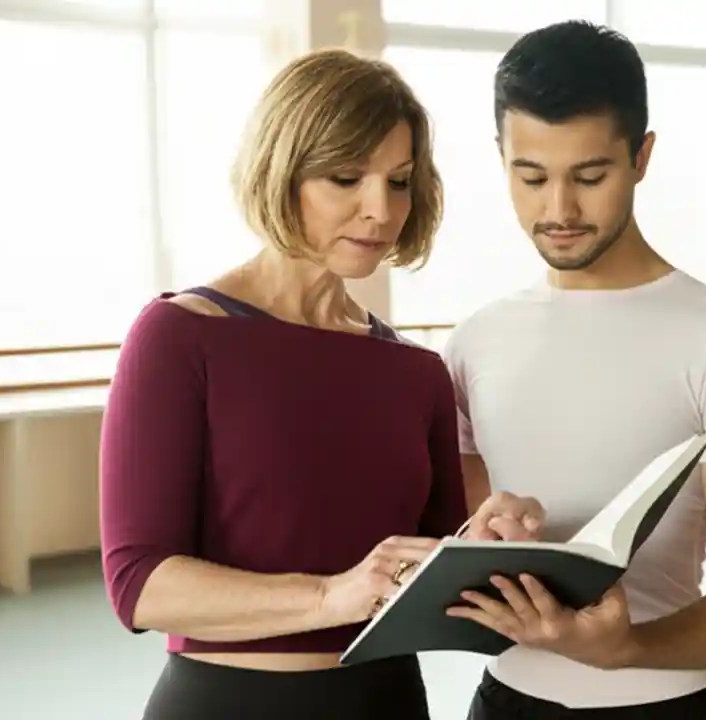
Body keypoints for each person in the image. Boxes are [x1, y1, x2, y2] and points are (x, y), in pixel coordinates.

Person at [99, 48, 482, 719]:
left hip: (386, 700)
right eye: (346, 177)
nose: (381, 210)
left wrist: (494, 538)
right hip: (228, 702)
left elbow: (437, 565)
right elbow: (139, 585)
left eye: (399, 181)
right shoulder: (181, 336)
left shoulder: (417, 372)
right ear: (282, 173)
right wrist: (330, 597)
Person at [442, 21, 706, 719]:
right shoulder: (475, 342)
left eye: (590, 176)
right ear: (500, 158)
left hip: (668, 705)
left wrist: (625, 649)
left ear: (642, 157)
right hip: (505, 704)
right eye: (531, 177)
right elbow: (463, 552)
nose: (559, 209)